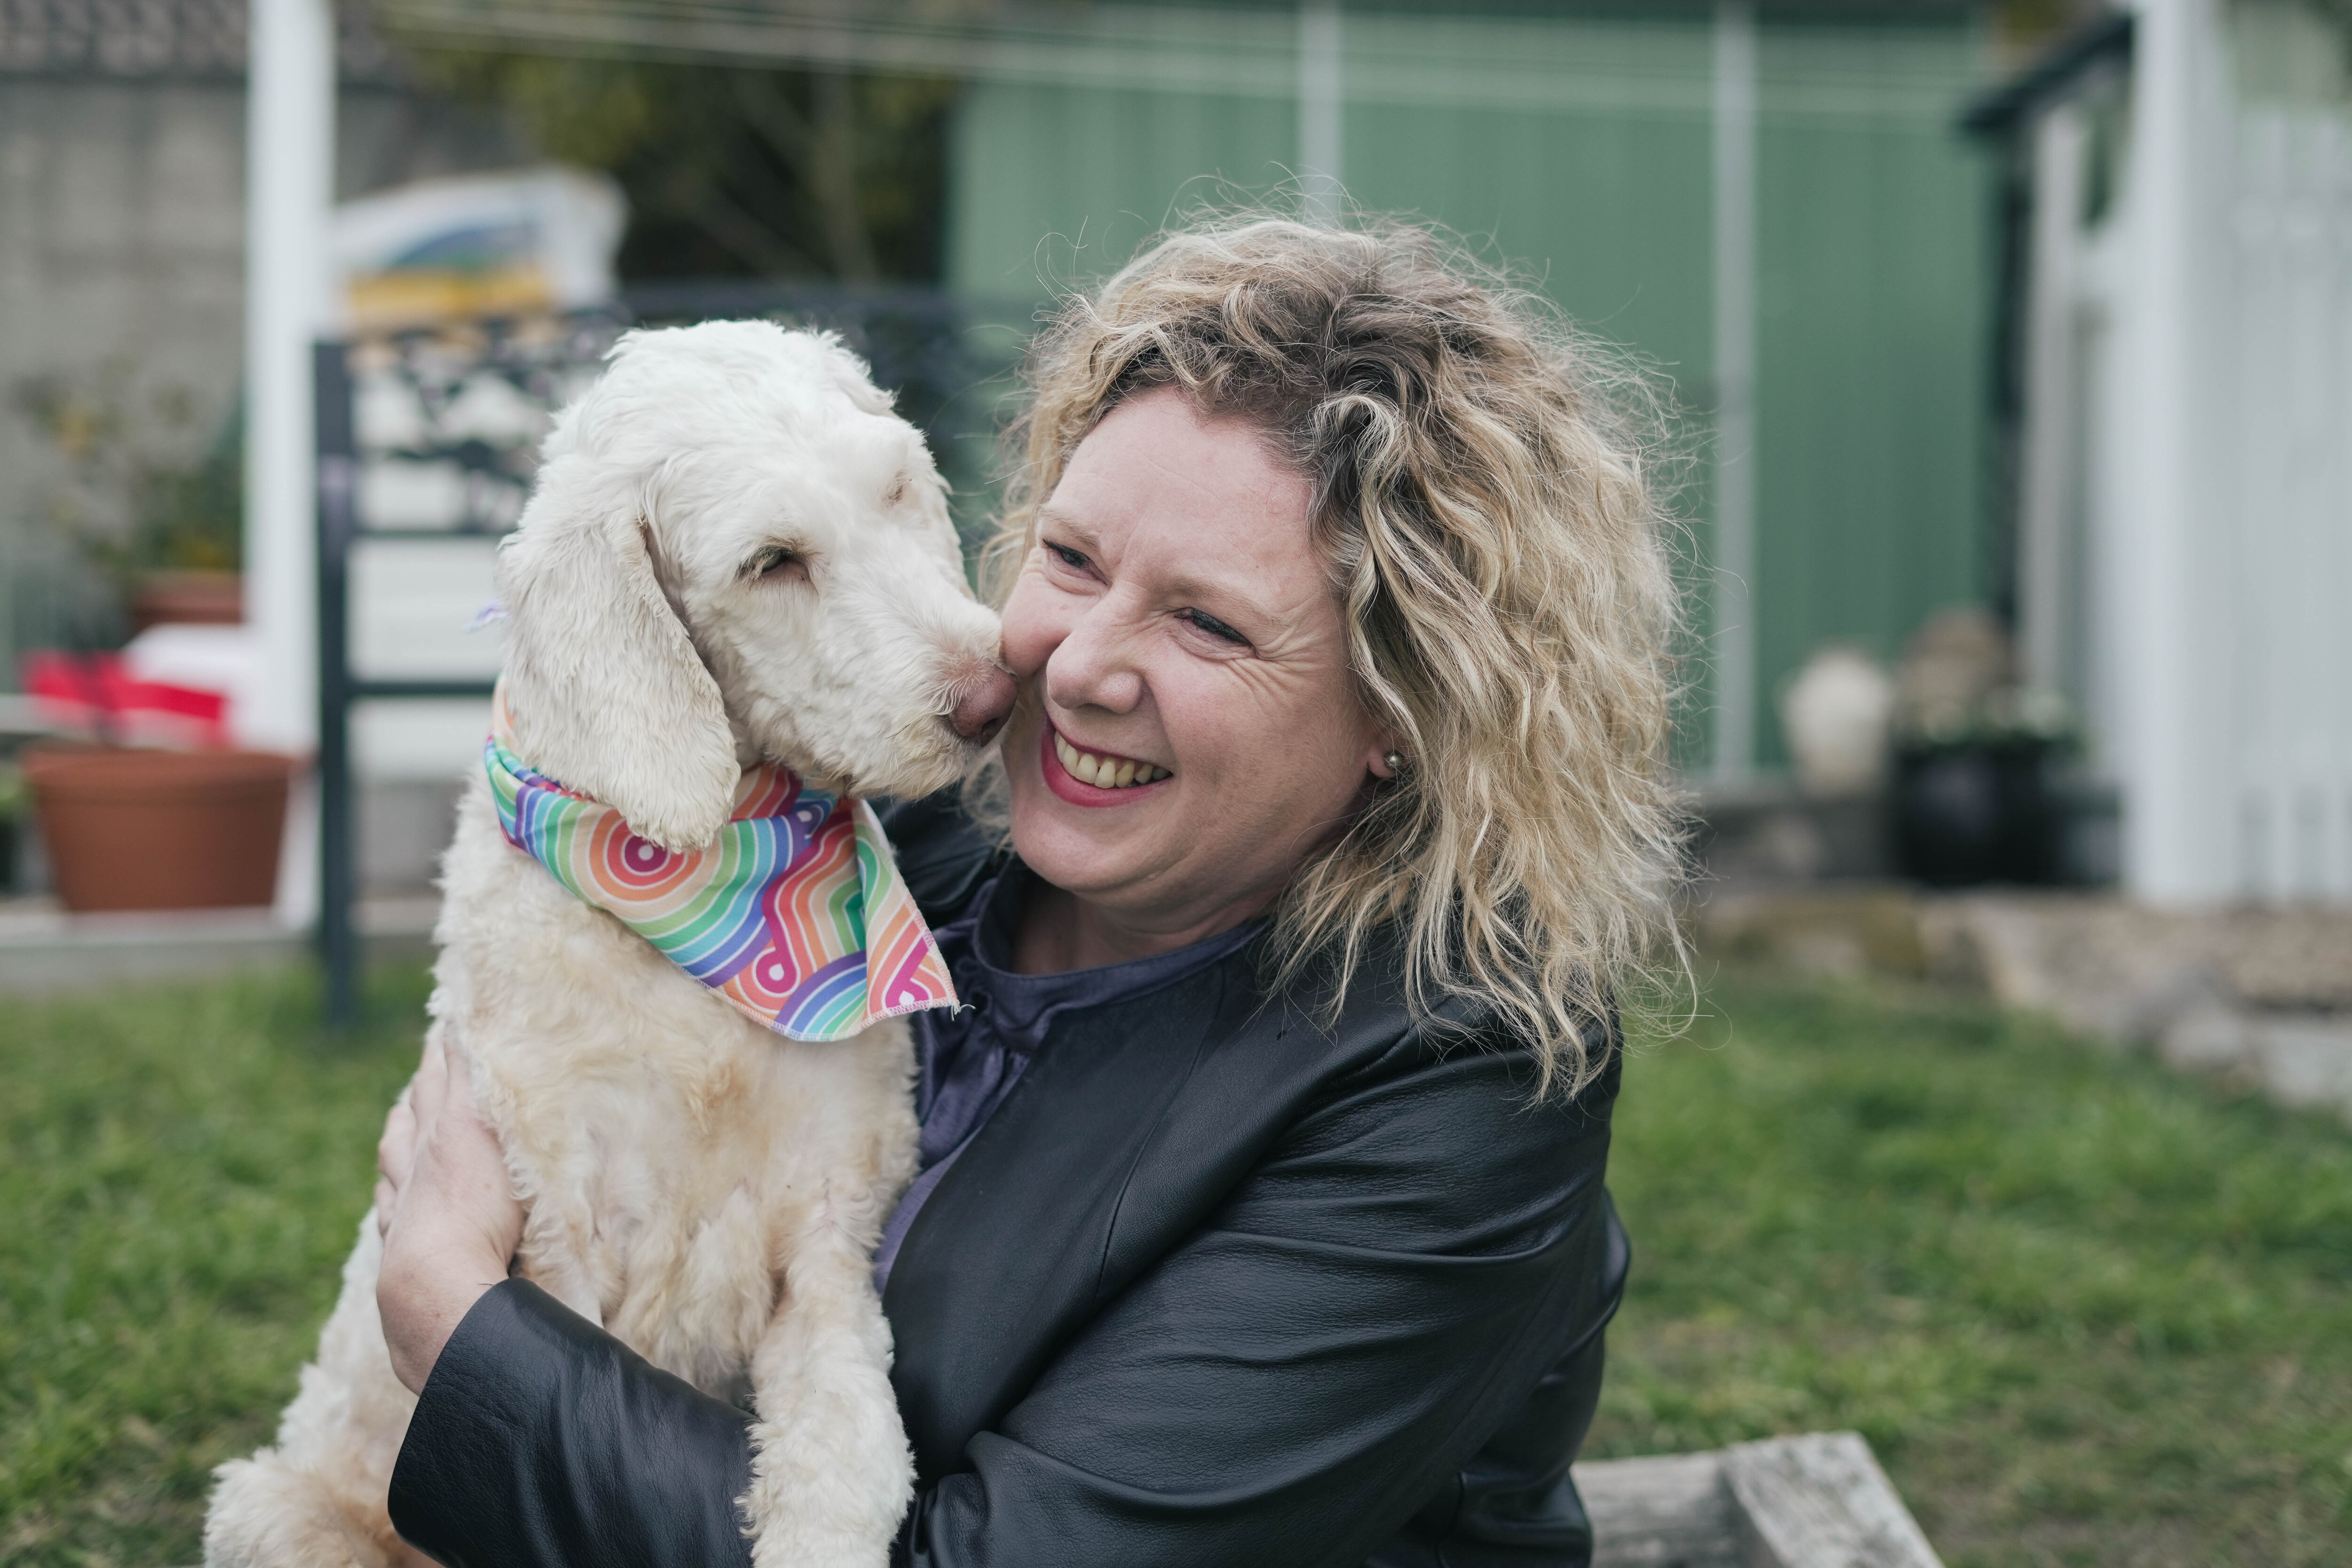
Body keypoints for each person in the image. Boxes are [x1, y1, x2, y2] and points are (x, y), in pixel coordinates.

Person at [371, 215, 1684, 1568]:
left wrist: (457, 1326)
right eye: (1071, 560)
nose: (1067, 669)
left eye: (1208, 623)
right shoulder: (849, 858)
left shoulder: (1452, 1086)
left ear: (1402, 712)